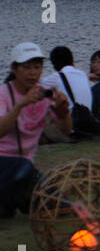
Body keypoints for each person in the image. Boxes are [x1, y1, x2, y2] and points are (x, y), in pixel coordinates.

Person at [1, 43, 73, 218]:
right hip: (7, 165)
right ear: (14, 69)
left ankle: (11, 199)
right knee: (24, 168)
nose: (32, 73)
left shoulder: (44, 95)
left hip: (24, 172)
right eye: (26, 67)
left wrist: (62, 111)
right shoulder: (3, 94)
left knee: (60, 207)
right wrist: (21, 104)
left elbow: (66, 132)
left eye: (37, 67)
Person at [39, 45, 94, 141]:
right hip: (87, 121)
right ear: (71, 59)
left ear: (54, 63)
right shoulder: (82, 74)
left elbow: (34, 86)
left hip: (72, 124)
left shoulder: (56, 77)